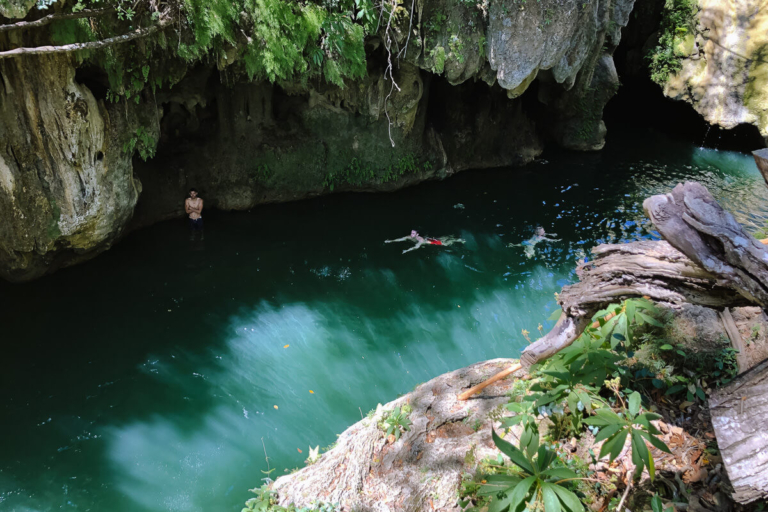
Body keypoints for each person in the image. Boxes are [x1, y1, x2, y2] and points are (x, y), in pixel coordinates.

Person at [385, 230, 465, 254]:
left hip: (429, 242)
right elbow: (400, 239)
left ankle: (458, 240)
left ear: (417, 234)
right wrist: (390, 241)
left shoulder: (420, 239)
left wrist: (406, 250)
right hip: (428, 238)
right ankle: (452, 236)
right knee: (442, 238)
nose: (411, 234)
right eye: (411, 232)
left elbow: (416, 246)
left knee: (445, 243)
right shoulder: (409, 236)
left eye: (413, 233)